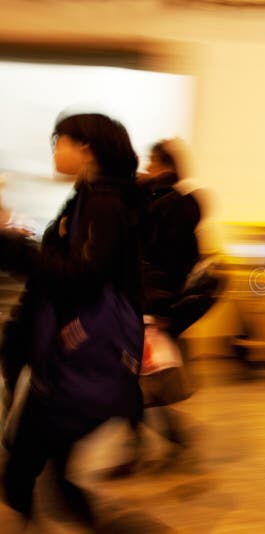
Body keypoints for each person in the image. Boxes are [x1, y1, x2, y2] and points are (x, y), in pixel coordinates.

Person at [0, 112, 145, 524]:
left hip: (74, 354)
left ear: (84, 148)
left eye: (57, 142)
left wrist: (9, 244)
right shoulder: (94, 198)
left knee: (23, 466)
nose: (53, 152)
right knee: (52, 471)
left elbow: (82, 279)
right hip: (73, 353)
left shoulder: (102, 203)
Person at [112, 138, 207, 475]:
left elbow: (151, 259)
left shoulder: (162, 205)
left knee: (141, 384)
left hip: (151, 307)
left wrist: (157, 307)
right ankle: (161, 443)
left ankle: (167, 442)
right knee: (141, 383)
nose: (148, 169)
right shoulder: (177, 204)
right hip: (157, 306)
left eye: (152, 162)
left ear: (164, 164)